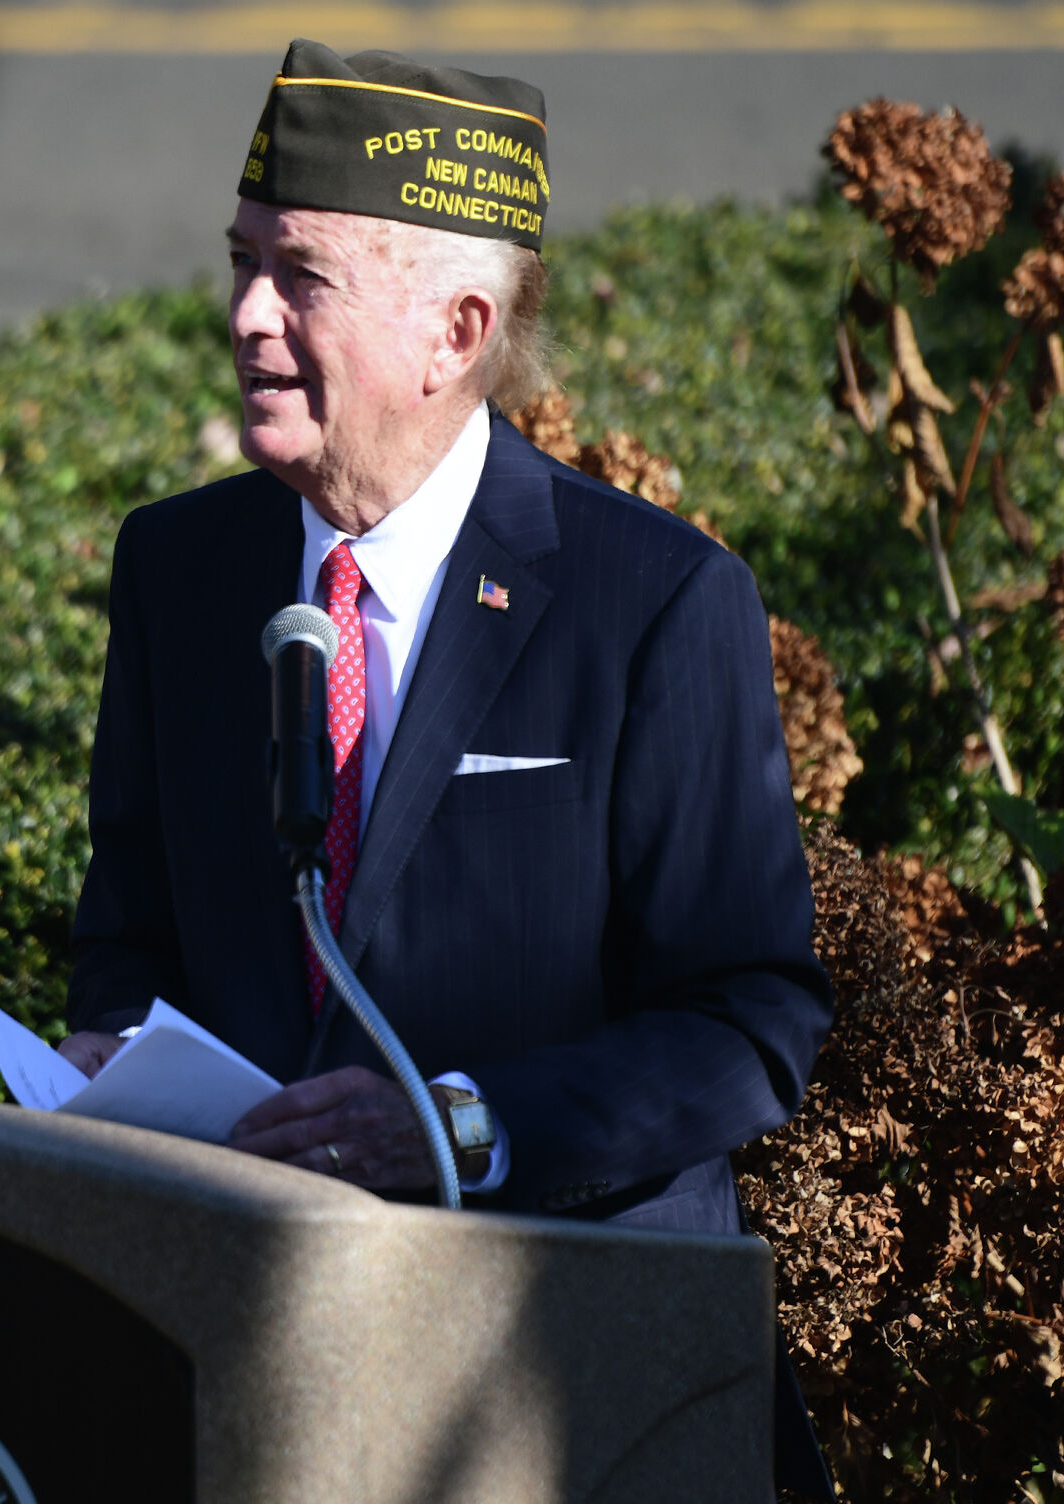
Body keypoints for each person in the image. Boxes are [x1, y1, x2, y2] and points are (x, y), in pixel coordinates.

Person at [61, 39, 834, 1247]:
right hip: (243, 1294)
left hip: (552, 1336)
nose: (246, 317)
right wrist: (106, 1045)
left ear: (454, 333)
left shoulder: (652, 601)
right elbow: (129, 930)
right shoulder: (177, 568)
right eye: (241, 262)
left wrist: (455, 1126)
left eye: (301, 276)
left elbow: (746, 1019)